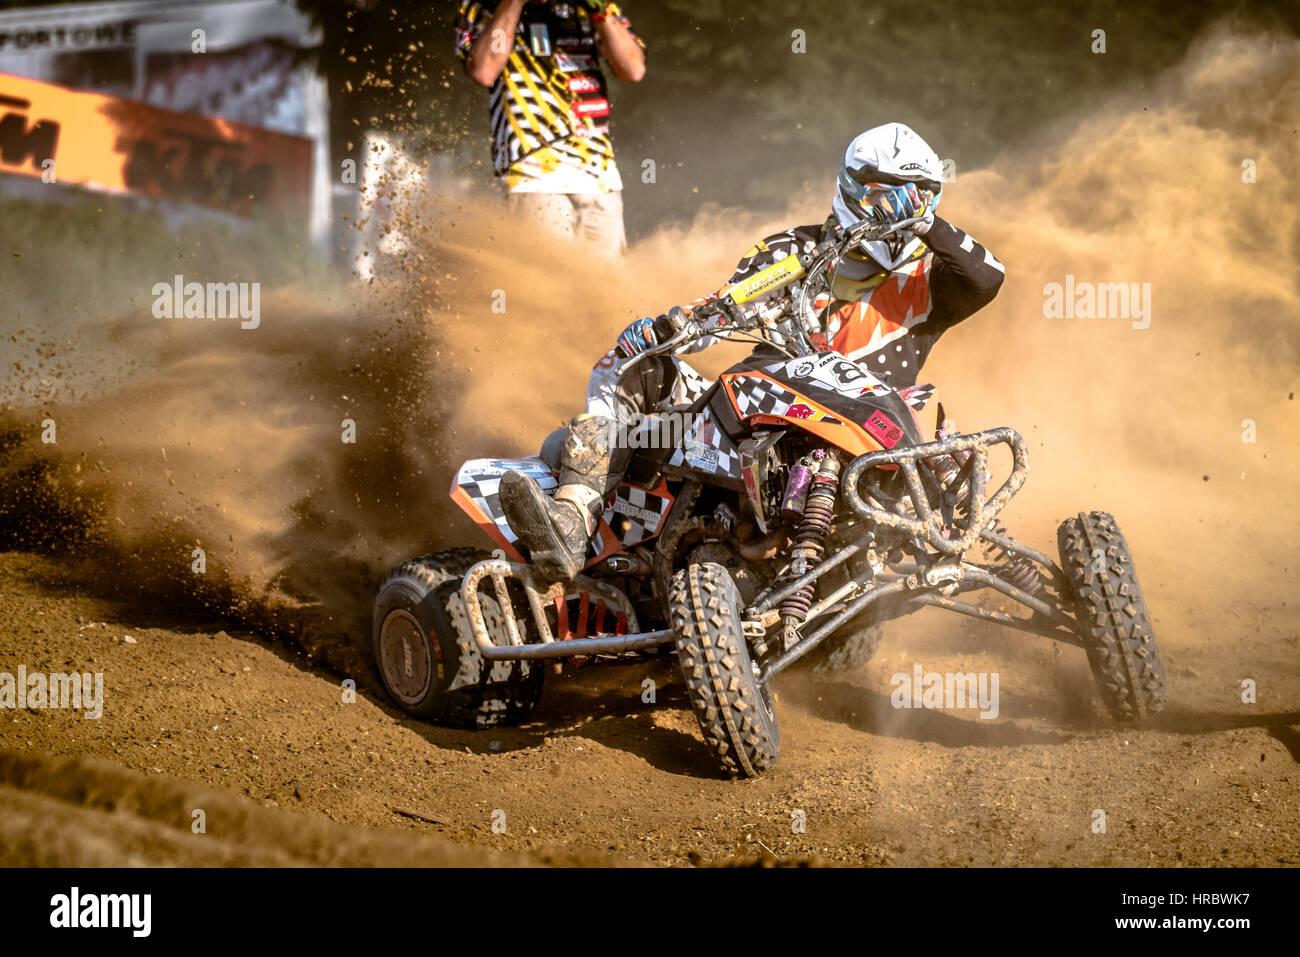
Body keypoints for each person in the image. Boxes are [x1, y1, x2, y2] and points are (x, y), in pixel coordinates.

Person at [500, 122, 1006, 580]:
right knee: (626, 366)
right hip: (777, 417)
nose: (901, 208)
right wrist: (666, 328)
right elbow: (724, 307)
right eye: (887, 195)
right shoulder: (792, 252)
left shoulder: (927, 277)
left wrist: (925, 226)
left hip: (878, 434)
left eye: (920, 197)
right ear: (852, 189)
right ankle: (571, 521)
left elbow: (988, 278)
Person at [454, 0, 645, 257]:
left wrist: (602, 12)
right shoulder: (484, 7)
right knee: (548, 284)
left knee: (608, 288)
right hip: (531, 172)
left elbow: (633, 69)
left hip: (599, 173)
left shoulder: (590, 8)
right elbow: (484, 71)